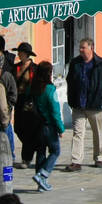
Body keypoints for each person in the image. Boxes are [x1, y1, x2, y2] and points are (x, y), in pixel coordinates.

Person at [66, 38, 102, 167]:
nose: (81, 50)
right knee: (78, 133)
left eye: (83, 48)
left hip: (95, 105)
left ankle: (99, 158)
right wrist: (71, 98)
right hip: (78, 105)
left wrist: (101, 95)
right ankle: (76, 161)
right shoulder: (75, 63)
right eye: (80, 48)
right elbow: (69, 81)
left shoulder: (101, 64)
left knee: (97, 132)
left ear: (91, 48)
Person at [30, 62, 63, 192]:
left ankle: (40, 183)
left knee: (41, 152)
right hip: (48, 126)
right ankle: (43, 174)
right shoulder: (50, 90)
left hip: (36, 125)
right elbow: (55, 111)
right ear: (48, 74)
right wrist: (60, 128)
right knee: (55, 151)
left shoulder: (32, 88)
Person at [0, 49, 19, 168]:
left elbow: (13, 94)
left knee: (7, 134)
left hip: (4, 115)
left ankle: (9, 157)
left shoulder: (6, 77)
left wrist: (8, 106)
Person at [13, 42, 39, 168]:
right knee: (18, 128)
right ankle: (31, 146)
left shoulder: (34, 68)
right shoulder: (16, 67)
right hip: (18, 100)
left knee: (27, 129)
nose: (18, 54)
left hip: (30, 102)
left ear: (26, 54)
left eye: (20, 52)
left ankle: (26, 159)